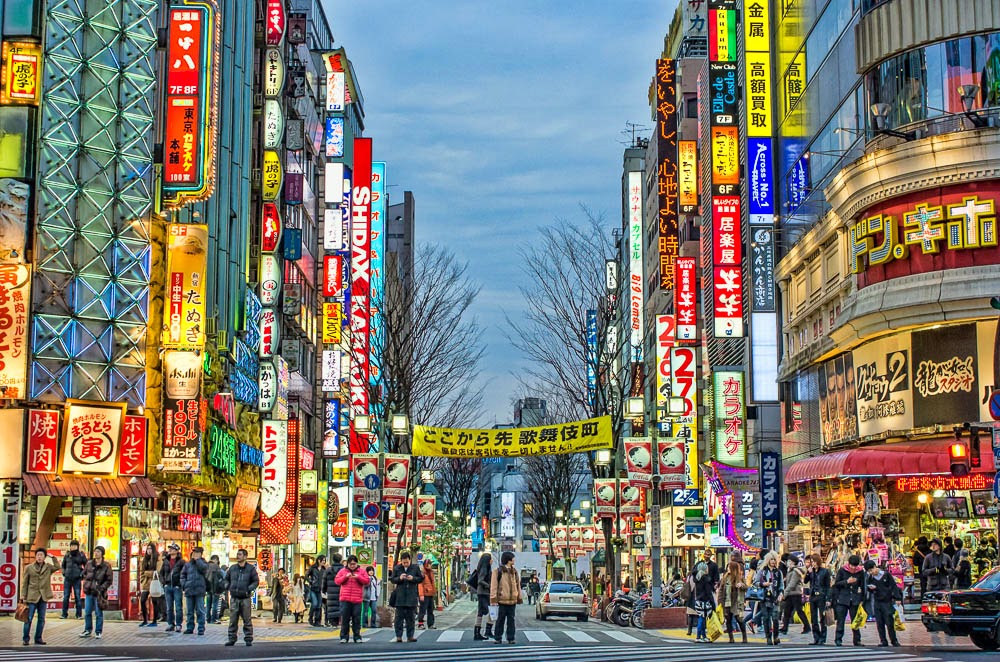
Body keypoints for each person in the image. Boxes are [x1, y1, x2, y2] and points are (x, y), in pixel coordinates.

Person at [224, 549, 259, 647]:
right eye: (237, 554)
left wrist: (249, 589)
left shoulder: (251, 569)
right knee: (233, 620)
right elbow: (226, 579)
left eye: (240, 554)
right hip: (234, 597)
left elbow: (256, 581)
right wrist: (228, 586)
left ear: (245, 556)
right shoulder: (233, 568)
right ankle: (231, 638)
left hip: (245, 598)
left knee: (247, 619)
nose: (238, 556)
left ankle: (248, 638)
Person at [20, 548, 55, 645]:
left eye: (41, 555)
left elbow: (57, 567)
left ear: (44, 557)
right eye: (38, 555)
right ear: (35, 556)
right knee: (28, 618)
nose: (39, 557)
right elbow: (25, 583)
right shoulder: (29, 567)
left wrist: (53, 557)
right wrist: (23, 596)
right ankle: (25, 639)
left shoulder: (48, 567)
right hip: (32, 596)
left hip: (43, 597)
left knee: (41, 619)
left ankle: (38, 638)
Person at [864, 559, 901, 647]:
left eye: (871, 570)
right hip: (877, 601)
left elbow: (894, 586)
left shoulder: (886, 575)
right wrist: (871, 589)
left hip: (887, 601)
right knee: (879, 622)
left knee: (889, 622)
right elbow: (869, 589)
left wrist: (897, 598)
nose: (871, 572)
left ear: (875, 567)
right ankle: (883, 640)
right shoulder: (870, 578)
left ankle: (894, 640)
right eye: (869, 571)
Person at [832, 553, 866, 647]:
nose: (853, 568)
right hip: (843, 599)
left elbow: (863, 585)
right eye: (852, 566)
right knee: (841, 620)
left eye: (855, 566)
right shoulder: (842, 570)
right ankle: (838, 639)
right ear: (848, 564)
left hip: (855, 599)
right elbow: (836, 584)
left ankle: (857, 640)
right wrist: (846, 582)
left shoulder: (860, 572)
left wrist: (862, 598)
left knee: (855, 620)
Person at [389, 551, 423, 643]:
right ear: (401, 561)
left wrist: (413, 578)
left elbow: (420, 578)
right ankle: (399, 636)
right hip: (400, 596)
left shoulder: (415, 568)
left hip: (411, 596)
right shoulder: (397, 568)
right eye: (404, 562)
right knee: (398, 618)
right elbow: (392, 579)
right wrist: (399, 578)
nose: (405, 564)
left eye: (407, 562)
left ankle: (410, 636)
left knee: (411, 618)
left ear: (410, 560)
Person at [335, 554, 370, 643]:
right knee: (345, 619)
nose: (352, 566)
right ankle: (344, 637)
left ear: (357, 563)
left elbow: (367, 581)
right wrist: (345, 577)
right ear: (347, 564)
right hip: (345, 599)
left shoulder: (361, 571)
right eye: (350, 564)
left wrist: (358, 577)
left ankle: (357, 637)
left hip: (357, 599)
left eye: (354, 564)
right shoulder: (343, 571)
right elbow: (337, 581)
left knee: (356, 619)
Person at [79, 545, 112, 640]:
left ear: (102, 554)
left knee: (98, 613)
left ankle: (98, 631)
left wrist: (102, 588)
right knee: (87, 612)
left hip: (99, 593)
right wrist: (86, 582)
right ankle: (87, 630)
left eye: (98, 551)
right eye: (95, 551)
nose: (96, 553)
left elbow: (109, 579)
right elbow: (84, 573)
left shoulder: (106, 566)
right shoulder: (89, 563)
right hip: (89, 591)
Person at [490, 550, 521, 645]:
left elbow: (518, 585)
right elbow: (494, 585)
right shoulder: (498, 571)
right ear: (508, 560)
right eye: (513, 558)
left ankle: (511, 638)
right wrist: (493, 598)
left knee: (511, 620)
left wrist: (518, 596)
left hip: (512, 600)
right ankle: (498, 637)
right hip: (502, 600)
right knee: (500, 620)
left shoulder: (514, 571)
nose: (514, 560)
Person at [756, 551, 784, 645]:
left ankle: (776, 637)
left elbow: (781, 585)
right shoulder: (762, 571)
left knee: (775, 618)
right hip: (764, 598)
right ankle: (768, 637)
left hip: (775, 598)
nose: (773, 561)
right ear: (768, 560)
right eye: (771, 559)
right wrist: (763, 584)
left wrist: (781, 594)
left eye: (774, 559)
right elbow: (755, 582)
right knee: (766, 618)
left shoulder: (778, 572)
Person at [717, 560, 747, 643]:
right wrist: (720, 601)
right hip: (727, 601)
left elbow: (746, 587)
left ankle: (744, 636)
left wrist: (741, 585)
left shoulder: (740, 577)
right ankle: (731, 638)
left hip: (737, 602)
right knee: (728, 619)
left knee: (739, 619)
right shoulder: (725, 577)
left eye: (729, 568)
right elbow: (721, 590)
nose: (728, 569)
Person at [805, 553, 832, 645]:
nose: (812, 564)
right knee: (813, 618)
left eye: (814, 562)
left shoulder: (825, 571)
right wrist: (808, 572)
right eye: (811, 562)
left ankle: (822, 638)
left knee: (822, 617)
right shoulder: (811, 572)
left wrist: (828, 598)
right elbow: (805, 581)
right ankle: (816, 637)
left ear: (818, 562)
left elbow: (828, 586)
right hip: (813, 596)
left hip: (821, 596)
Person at [181, 546, 208, 635]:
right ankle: (189, 627)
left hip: (199, 590)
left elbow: (204, 569)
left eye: (197, 553)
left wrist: (198, 560)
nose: (195, 554)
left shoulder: (204, 563)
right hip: (189, 590)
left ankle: (201, 628)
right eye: (194, 553)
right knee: (189, 611)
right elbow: (183, 575)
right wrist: (184, 585)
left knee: (200, 610)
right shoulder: (188, 564)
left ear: (201, 554)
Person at [694, 549, 720, 643]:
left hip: (698, 599)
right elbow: (709, 592)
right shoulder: (706, 580)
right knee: (702, 618)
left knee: (702, 617)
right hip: (705, 600)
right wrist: (713, 604)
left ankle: (703, 636)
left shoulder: (698, 578)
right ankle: (698, 636)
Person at [780, 556, 810, 635]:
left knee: (799, 611)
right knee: (787, 611)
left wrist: (784, 594)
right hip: (791, 594)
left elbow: (792, 584)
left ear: (793, 562)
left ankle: (807, 626)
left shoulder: (795, 571)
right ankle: (785, 628)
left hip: (795, 594)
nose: (787, 563)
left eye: (789, 561)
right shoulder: (790, 570)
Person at [160, 543, 186, 632]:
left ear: (177, 551)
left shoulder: (181, 562)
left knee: (178, 607)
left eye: (172, 549)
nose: (170, 550)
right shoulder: (166, 561)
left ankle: (178, 624)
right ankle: (170, 624)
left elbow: (184, 574)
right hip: (168, 586)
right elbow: (161, 573)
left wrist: (180, 584)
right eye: (169, 549)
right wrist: (164, 583)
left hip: (177, 587)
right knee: (169, 607)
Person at [60, 540, 87, 619]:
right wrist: (64, 572)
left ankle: (79, 615)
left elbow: (86, 566)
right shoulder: (67, 555)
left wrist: (82, 574)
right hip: (67, 578)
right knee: (66, 597)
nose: (73, 547)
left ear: (77, 547)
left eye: (75, 546)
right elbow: (63, 565)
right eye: (72, 546)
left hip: (77, 579)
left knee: (77, 597)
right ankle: (64, 614)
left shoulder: (81, 555)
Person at [472, 553, 494, 641]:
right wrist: (489, 586)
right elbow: (480, 580)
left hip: (482, 592)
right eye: (491, 559)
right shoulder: (484, 568)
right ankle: (486, 631)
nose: (492, 561)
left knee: (482, 612)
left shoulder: (483, 567)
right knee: (489, 610)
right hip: (484, 592)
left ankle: (478, 632)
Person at [138, 543, 160, 627]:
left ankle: (154, 620)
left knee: (154, 601)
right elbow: (142, 572)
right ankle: (145, 620)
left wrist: (147, 573)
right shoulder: (145, 560)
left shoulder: (157, 559)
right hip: (146, 583)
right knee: (143, 600)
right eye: (148, 549)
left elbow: (157, 572)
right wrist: (142, 580)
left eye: (150, 549)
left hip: (154, 582)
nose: (149, 550)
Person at [322, 553, 345, 627]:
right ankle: (339, 621)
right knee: (340, 606)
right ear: (340, 560)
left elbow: (324, 581)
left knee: (332, 606)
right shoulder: (344, 570)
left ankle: (333, 622)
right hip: (341, 591)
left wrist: (324, 590)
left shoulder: (328, 570)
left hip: (330, 591)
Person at [205, 554, 227, 624]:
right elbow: (224, 576)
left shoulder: (206, 567)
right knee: (215, 605)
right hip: (216, 589)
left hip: (208, 589)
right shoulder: (217, 567)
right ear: (216, 560)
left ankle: (208, 618)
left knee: (208, 605)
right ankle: (214, 619)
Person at [306, 556, 326, 626]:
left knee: (319, 605)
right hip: (313, 589)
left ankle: (317, 621)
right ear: (319, 560)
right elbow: (306, 576)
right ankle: (310, 618)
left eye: (324, 560)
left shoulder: (324, 569)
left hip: (320, 589)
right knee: (314, 604)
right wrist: (311, 581)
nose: (324, 562)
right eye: (323, 560)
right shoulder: (313, 568)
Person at [417, 559, 437, 630]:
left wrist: (434, 592)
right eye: (429, 564)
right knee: (422, 610)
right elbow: (420, 585)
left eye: (430, 564)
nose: (430, 565)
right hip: (424, 594)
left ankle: (430, 624)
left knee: (430, 610)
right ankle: (420, 624)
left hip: (430, 594)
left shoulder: (431, 572)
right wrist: (421, 594)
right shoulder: (422, 573)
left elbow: (433, 583)